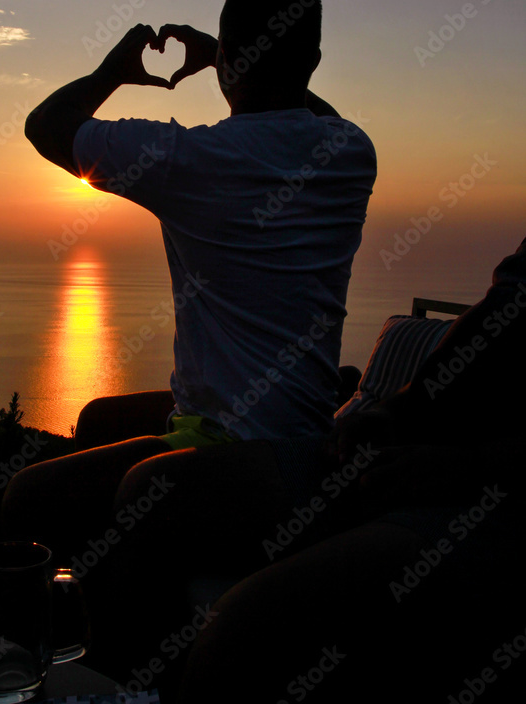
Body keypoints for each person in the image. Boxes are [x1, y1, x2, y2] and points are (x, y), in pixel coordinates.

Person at [2, 0, 376, 562]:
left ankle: (98, 611)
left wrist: (113, 72)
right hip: (297, 427)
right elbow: (312, 113)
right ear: (314, 62)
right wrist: (233, 58)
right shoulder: (353, 151)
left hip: (251, 449)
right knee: (99, 418)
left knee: (30, 496)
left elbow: (44, 127)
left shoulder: (189, 159)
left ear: (226, 62)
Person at [98, 235, 526, 702]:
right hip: (422, 447)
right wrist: (395, 410)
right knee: (150, 491)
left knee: (242, 629)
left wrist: (476, 467)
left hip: (492, 492)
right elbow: (507, 307)